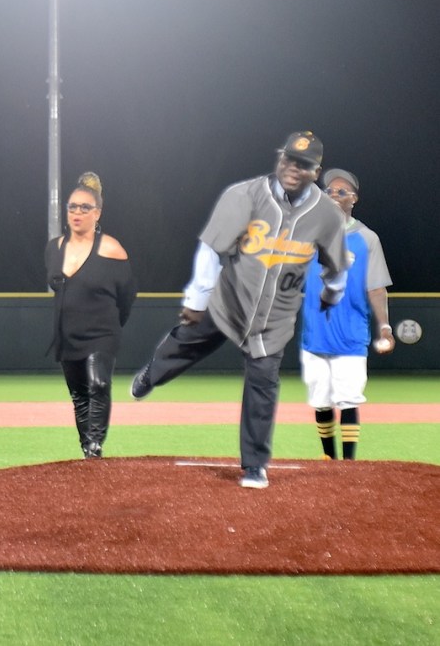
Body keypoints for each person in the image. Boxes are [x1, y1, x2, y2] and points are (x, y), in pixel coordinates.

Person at [129, 131, 348, 489]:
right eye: (289, 159)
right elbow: (211, 249)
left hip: (274, 319)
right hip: (228, 302)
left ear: (316, 171)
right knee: (185, 345)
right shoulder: (244, 195)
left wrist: (333, 294)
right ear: (280, 157)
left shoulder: (326, 215)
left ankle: (255, 465)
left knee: (263, 383)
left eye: (303, 164)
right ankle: (152, 375)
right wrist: (197, 300)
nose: (292, 168)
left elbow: (336, 266)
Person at [299, 168, 394, 460]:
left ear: (354, 198)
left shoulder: (367, 239)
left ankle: (348, 466)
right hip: (315, 335)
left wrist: (385, 327)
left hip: (351, 334)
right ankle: (329, 461)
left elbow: (376, 288)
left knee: (349, 399)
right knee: (321, 401)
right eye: (328, 191)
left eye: (341, 191)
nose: (333, 195)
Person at [45, 172, 138, 459]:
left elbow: (127, 295)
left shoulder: (111, 249)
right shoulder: (54, 248)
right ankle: (88, 451)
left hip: (101, 332)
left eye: (85, 207)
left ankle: (96, 444)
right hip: (67, 333)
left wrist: (113, 326)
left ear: (97, 213)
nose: (77, 212)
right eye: (72, 207)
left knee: (98, 384)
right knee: (79, 395)